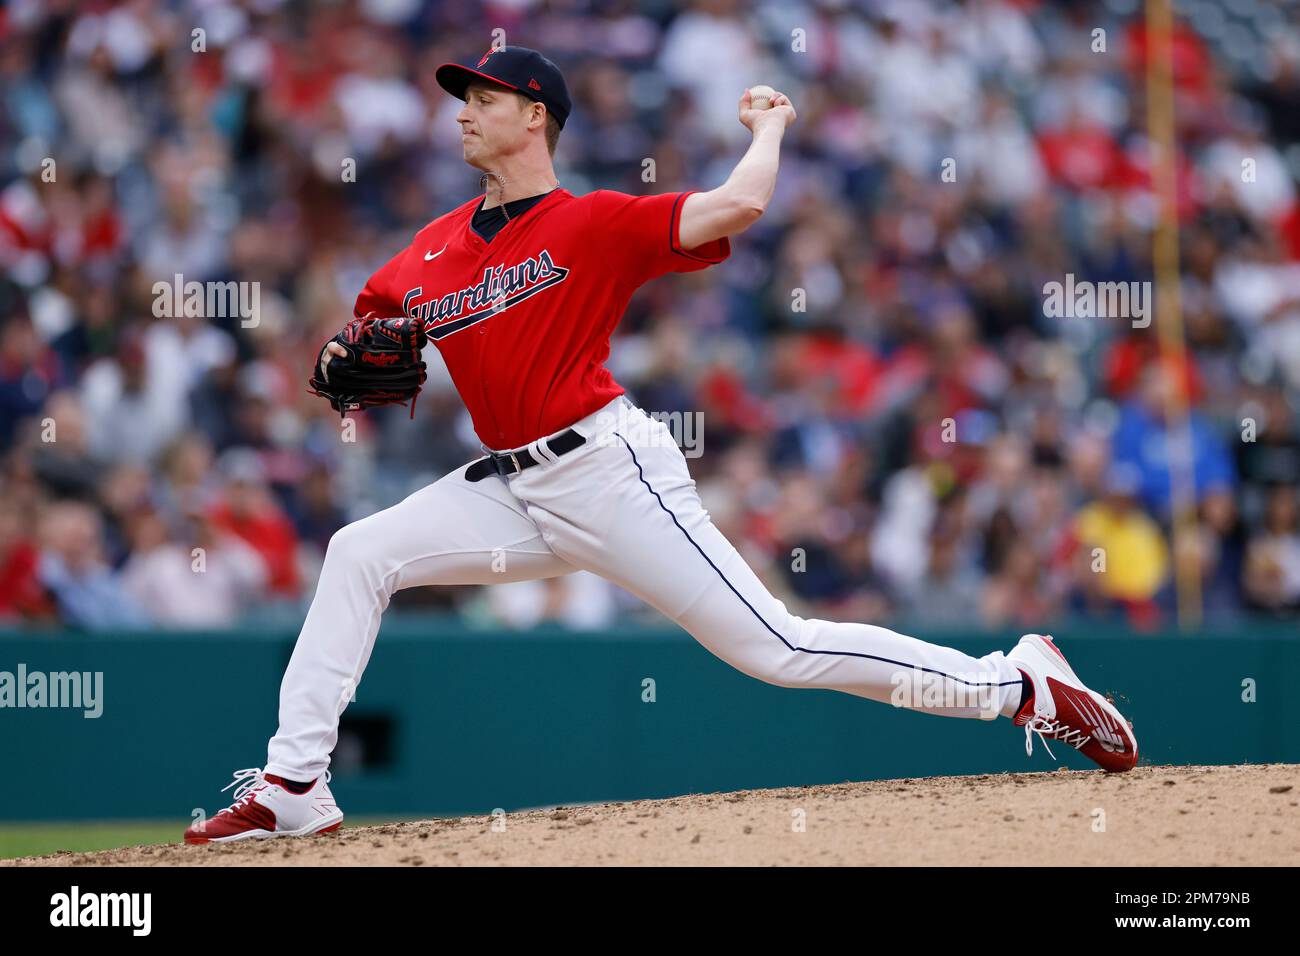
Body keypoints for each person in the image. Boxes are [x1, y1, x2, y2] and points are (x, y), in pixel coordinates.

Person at [184, 47, 1137, 845]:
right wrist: (340, 354)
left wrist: (768, 130)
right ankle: (295, 786)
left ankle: (1019, 684)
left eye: (484, 98)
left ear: (536, 118)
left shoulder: (593, 222)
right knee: (360, 551)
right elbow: (355, 339)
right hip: (512, 492)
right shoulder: (426, 252)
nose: (465, 114)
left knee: (777, 648)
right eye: (463, 99)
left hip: (608, 472)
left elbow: (736, 208)